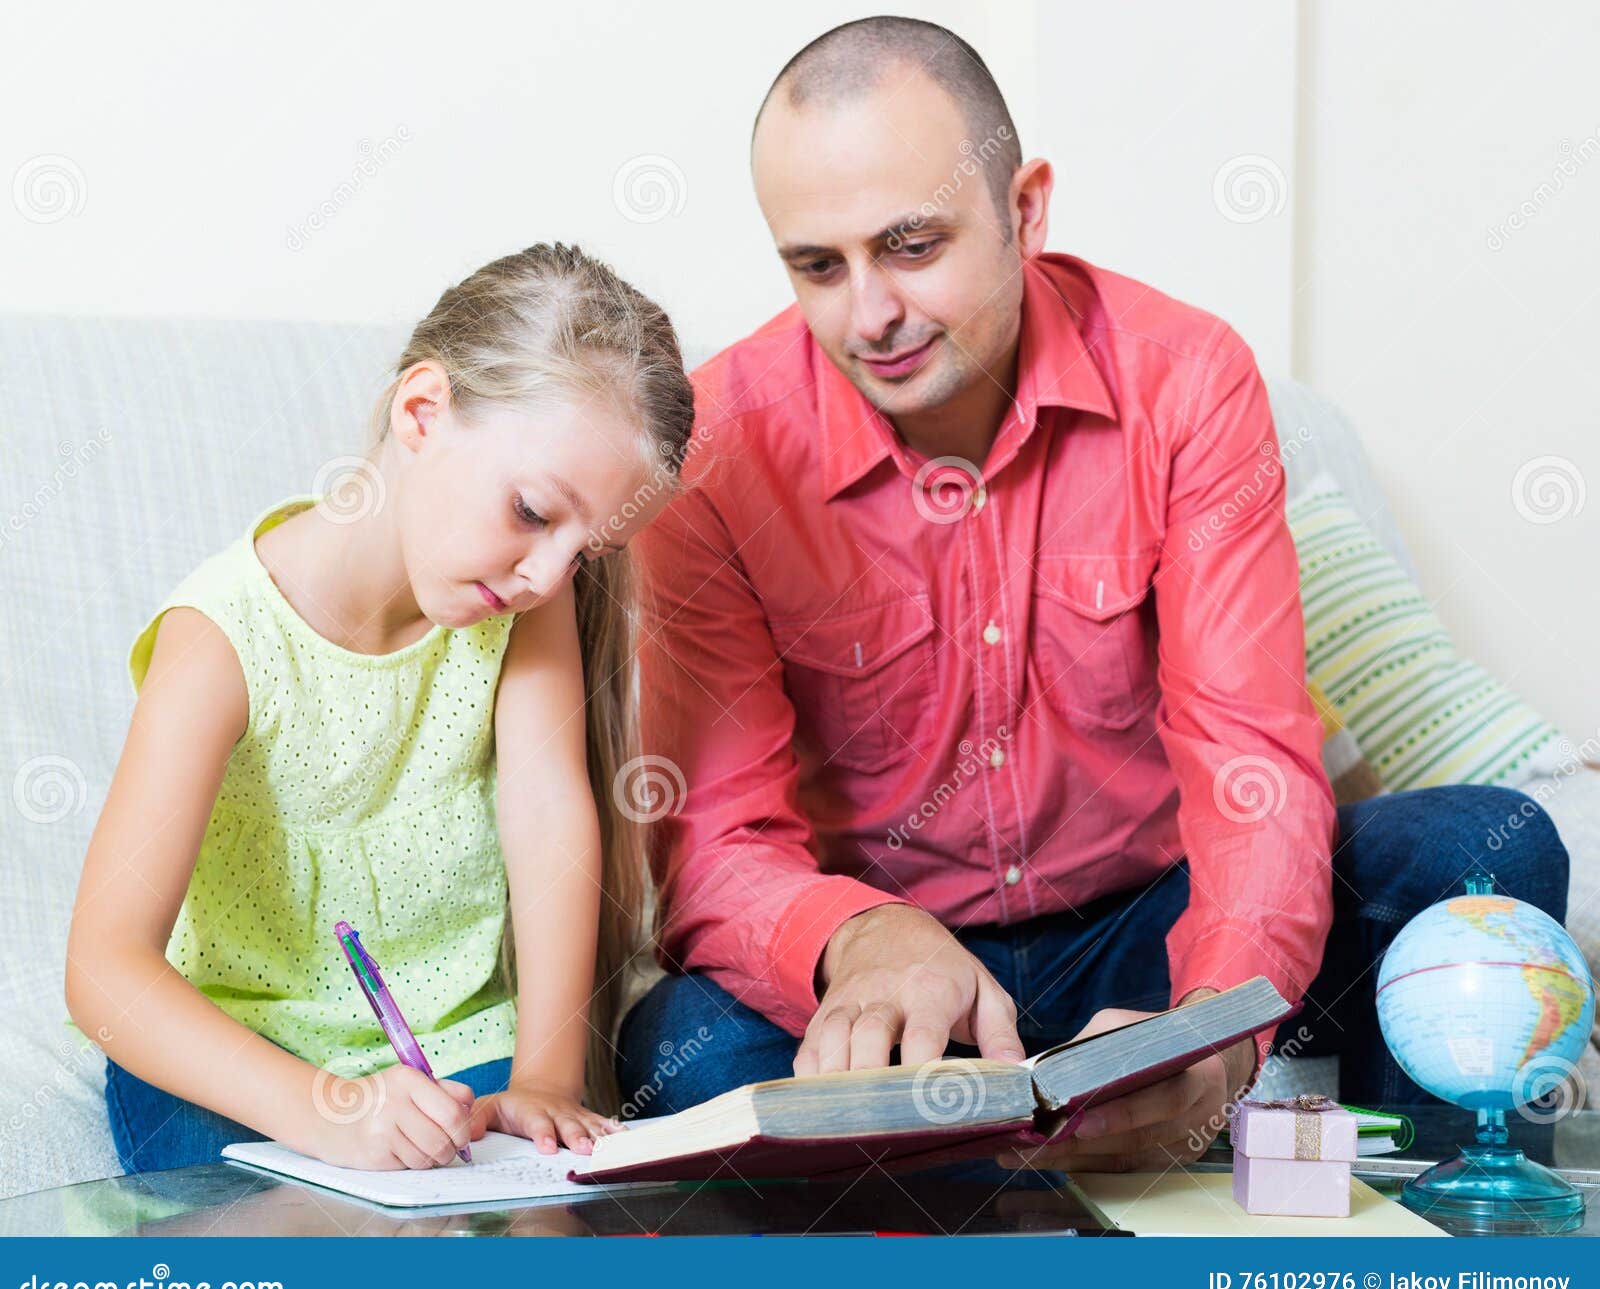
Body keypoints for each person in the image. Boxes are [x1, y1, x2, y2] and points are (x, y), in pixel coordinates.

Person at [618, 16, 1572, 1172]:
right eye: (819, 266)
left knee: (1489, 847)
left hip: (1149, 929)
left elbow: (1249, 759)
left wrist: (1216, 1028)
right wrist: (863, 937)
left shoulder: (1187, 381)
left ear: (1025, 210)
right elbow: (715, 838)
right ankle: (1091, 1151)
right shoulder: (714, 451)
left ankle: (1279, 1158)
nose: (868, 315)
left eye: (910, 246)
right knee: (688, 1051)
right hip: (900, 981)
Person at [66, 242, 695, 1174]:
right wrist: (330, 1113)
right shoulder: (221, 640)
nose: (548, 576)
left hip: (456, 1044)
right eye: (531, 511)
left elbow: (547, 812)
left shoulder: (523, 600)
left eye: (585, 554)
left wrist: (548, 1076)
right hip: (240, 1061)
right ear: (421, 411)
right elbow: (103, 971)